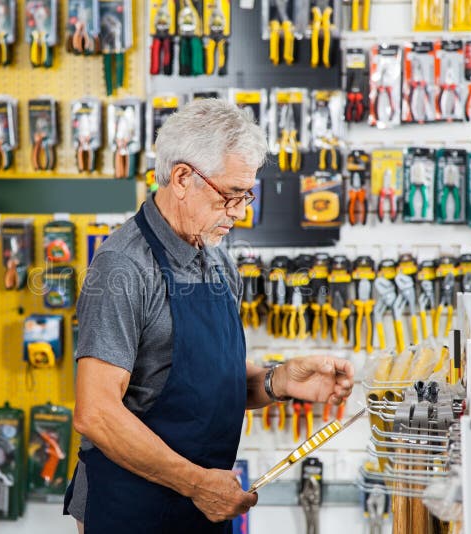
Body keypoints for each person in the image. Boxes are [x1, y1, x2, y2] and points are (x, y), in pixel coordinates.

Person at [63, 99, 354, 533]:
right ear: (182, 178)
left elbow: (203, 381)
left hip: (202, 510)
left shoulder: (218, 261)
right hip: (133, 512)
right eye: (230, 196)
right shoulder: (122, 267)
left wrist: (278, 380)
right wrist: (197, 483)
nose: (239, 212)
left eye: (245, 196)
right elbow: (96, 412)